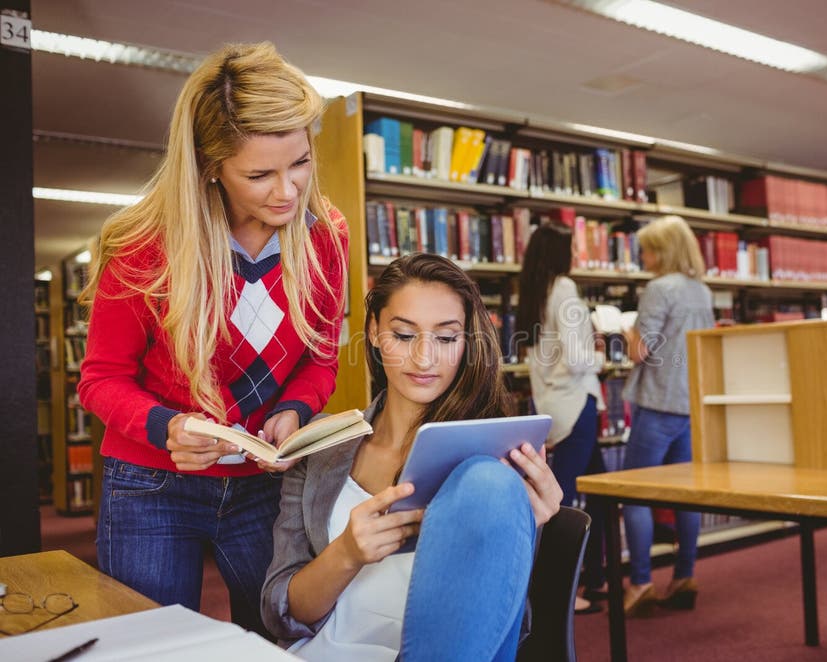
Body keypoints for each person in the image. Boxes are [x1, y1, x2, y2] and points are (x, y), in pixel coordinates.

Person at [77, 42, 348, 636]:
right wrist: (166, 427)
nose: (287, 191)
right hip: (152, 485)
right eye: (258, 174)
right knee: (152, 644)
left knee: (284, 638)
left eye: (299, 162)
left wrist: (295, 409)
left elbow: (321, 357)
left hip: (263, 487)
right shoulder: (143, 244)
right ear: (208, 165)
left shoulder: (327, 236)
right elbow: (100, 380)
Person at [261, 253, 563, 661]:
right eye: (403, 336)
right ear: (373, 331)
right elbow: (281, 613)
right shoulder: (322, 447)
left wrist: (529, 522)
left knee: (489, 483)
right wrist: (347, 553)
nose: (424, 358)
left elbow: (503, 606)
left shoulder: (499, 456)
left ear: (467, 342)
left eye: (446, 338)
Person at [621, 215, 714, 615]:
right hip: (689, 404)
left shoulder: (659, 289)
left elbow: (639, 351)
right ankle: (684, 575)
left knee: (633, 494)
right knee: (684, 495)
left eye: (646, 248)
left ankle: (640, 583)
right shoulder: (701, 290)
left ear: (662, 251)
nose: (642, 255)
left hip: (657, 404)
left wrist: (624, 331)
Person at [516, 222, 608, 614]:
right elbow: (578, 359)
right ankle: (556, 593)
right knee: (562, 501)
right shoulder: (565, 289)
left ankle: (595, 576)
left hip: (552, 404)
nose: (574, 257)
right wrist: (601, 354)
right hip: (577, 404)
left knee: (601, 493)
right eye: (570, 249)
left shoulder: (534, 293)